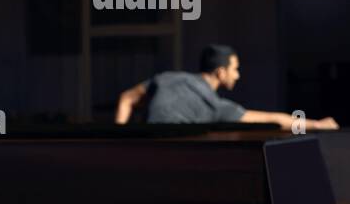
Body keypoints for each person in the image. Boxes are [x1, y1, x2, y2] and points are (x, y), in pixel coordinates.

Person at [115, 44, 339, 130]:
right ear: (221, 73)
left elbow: (126, 98)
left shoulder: (166, 77)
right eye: (235, 69)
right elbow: (276, 120)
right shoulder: (215, 106)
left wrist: (119, 139)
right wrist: (318, 124)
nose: (238, 75)